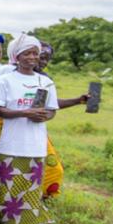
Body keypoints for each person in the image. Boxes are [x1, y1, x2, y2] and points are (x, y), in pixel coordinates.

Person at [0, 33, 59, 224]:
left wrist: (44, 116)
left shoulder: (45, 82)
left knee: (32, 188)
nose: (32, 57)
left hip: (35, 144)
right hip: (11, 144)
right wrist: (25, 112)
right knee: (9, 188)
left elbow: (52, 109)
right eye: (27, 54)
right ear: (17, 57)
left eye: (35, 54)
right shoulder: (4, 81)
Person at [35, 41, 89, 198]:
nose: (43, 62)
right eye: (41, 57)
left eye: (47, 59)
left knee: (52, 170)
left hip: (36, 129)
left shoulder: (44, 79)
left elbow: (50, 104)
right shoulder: (11, 76)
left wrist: (78, 100)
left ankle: (40, 202)